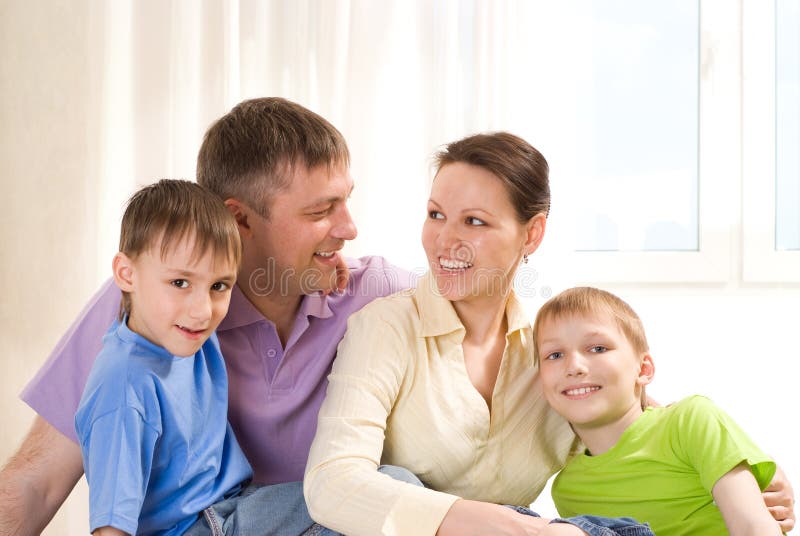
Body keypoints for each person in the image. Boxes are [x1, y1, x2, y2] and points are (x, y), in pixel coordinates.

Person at [0, 98, 413, 535]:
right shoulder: (148, 303)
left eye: (346, 201)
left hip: (253, 513)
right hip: (213, 524)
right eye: (320, 210)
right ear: (240, 219)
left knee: (395, 496)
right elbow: (36, 484)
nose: (350, 228)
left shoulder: (376, 292)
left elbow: (486, 299)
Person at [305, 132, 655, 536]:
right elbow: (332, 484)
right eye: (436, 215)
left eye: (474, 221)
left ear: (532, 234)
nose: (444, 240)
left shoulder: (553, 355)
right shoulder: (387, 327)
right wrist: (515, 527)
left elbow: (648, 430)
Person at [77, 179, 253, 535]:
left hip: (232, 509)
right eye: (179, 283)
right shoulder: (124, 386)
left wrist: (321, 274)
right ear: (126, 274)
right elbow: (111, 523)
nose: (203, 310)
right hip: (199, 526)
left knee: (376, 494)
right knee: (365, 506)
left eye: (219, 286)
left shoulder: (179, 330)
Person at [532, 286, 782, 535]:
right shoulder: (568, 489)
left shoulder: (690, 421)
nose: (574, 367)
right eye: (555, 355)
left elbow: (753, 525)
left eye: (597, 348)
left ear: (643, 370)